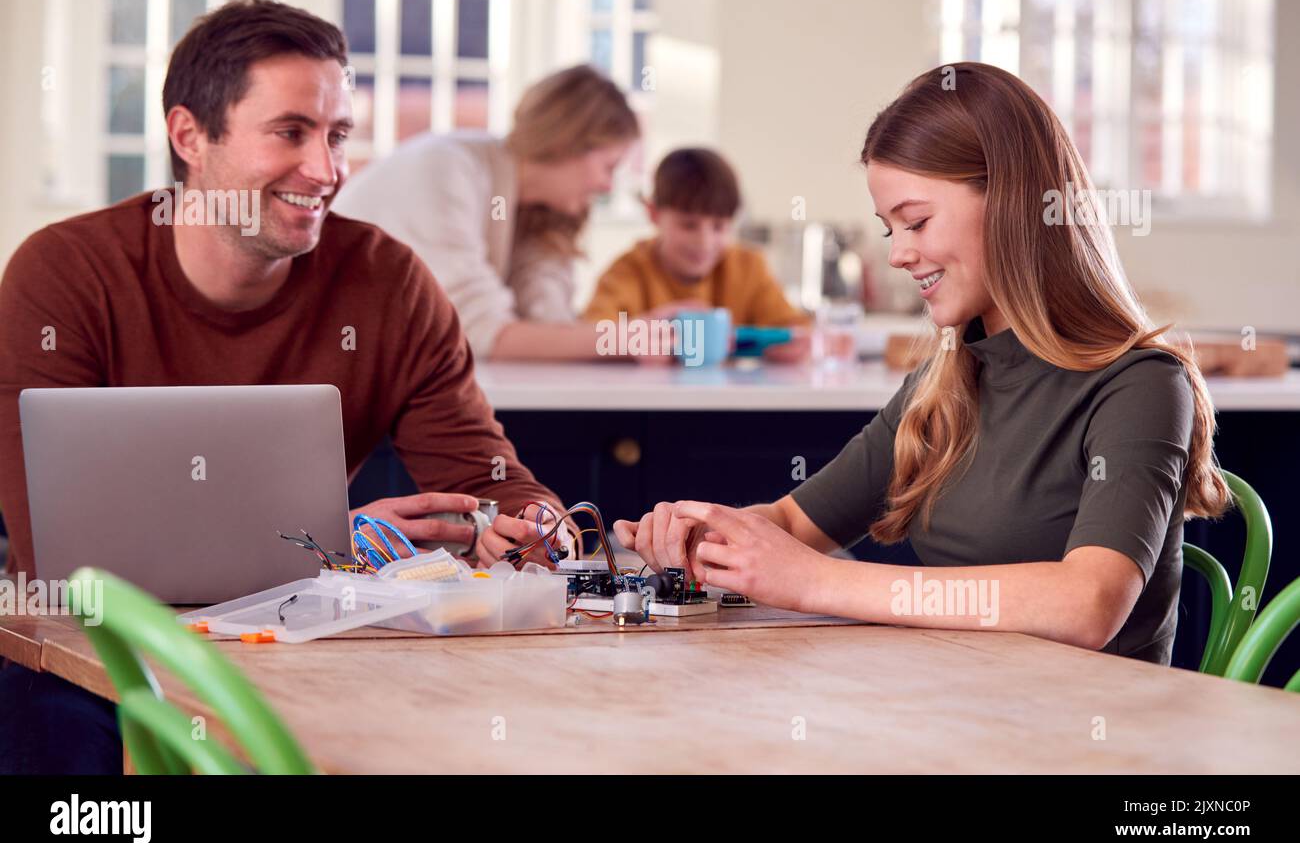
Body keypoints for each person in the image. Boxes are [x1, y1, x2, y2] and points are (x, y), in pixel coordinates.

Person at [0, 0, 561, 772]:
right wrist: (335, 552)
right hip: (95, 650)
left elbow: (490, 482)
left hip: (302, 644)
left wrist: (536, 530)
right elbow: (63, 566)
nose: (327, 172)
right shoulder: (64, 275)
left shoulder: (388, 283)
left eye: (336, 137)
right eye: (291, 132)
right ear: (189, 136)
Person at [613, 62, 1230, 665]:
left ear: (1013, 202)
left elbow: (1088, 603)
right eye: (889, 230)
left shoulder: (1141, 385)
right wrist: (704, 535)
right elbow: (792, 525)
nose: (899, 255)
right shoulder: (946, 383)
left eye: (916, 221)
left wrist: (817, 583)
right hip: (962, 719)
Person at [333, 65, 678, 361]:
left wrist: (639, 336)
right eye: (608, 166)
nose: (606, 187)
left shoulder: (533, 208)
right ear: (567, 144)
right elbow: (480, 334)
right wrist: (628, 337)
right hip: (334, 370)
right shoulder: (449, 168)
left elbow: (549, 327)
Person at [581, 147, 810, 338]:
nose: (704, 242)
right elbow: (592, 332)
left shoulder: (748, 267)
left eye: (719, 227)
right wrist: (649, 327)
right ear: (654, 214)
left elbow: (794, 328)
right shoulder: (629, 271)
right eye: (688, 225)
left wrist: (792, 343)